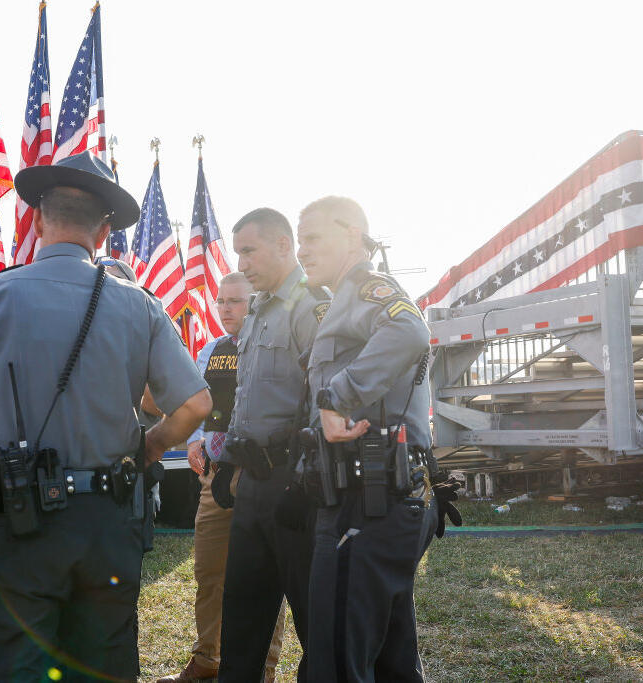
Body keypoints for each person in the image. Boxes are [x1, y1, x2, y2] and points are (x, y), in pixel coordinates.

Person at [0, 151, 212, 682]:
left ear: (36, 220)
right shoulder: (139, 305)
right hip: (108, 519)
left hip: (16, 520)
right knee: (103, 667)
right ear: (103, 230)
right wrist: (147, 446)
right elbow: (196, 406)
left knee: (15, 668)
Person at [296, 196, 460, 682]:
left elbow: (410, 330)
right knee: (391, 660)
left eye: (312, 237)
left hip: (367, 501)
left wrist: (336, 398)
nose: (302, 251)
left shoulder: (368, 288)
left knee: (338, 659)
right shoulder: (342, 299)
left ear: (351, 234)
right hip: (378, 500)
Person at [217, 208, 330, 682]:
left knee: (314, 622)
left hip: (295, 487)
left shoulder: (312, 305)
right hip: (253, 486)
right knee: (242, 617)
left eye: (249, 250)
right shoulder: (259, 307)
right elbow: (246, 397)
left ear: (284, 245)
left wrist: (303, 483)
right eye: (237, 250)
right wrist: (227, 463)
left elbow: (324, 401)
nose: (240, 261)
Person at [159, 271, 287, 683]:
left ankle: (262, 671)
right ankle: (207, 659)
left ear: (256, 301)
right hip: (214, 480)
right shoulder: (212, 350)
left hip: (262, 476)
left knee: (266, 579)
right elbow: (199, 404)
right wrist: (195, 440)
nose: (225, 308)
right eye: (220, 301)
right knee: (210, 573)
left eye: (235, 300)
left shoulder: (272, 347)